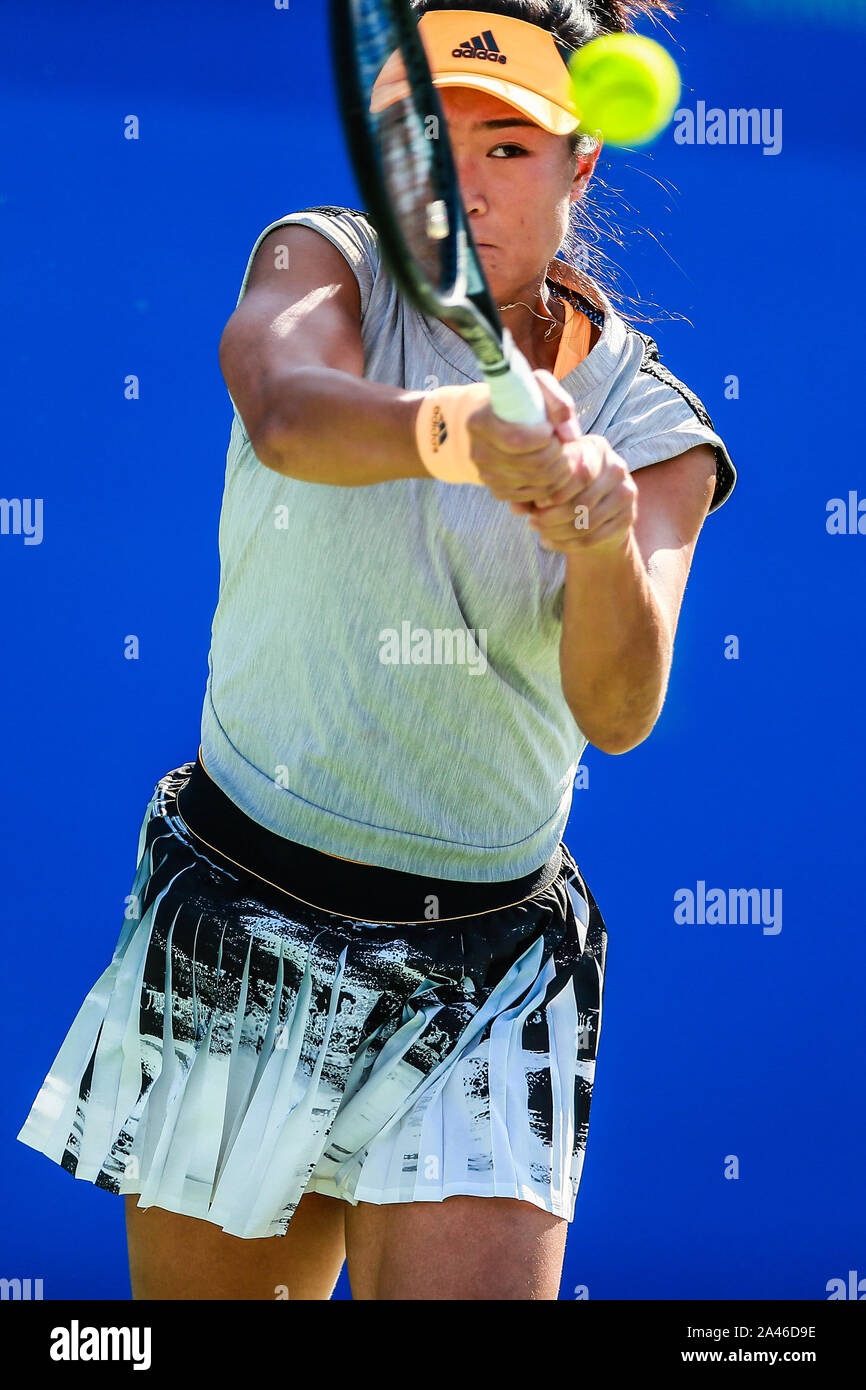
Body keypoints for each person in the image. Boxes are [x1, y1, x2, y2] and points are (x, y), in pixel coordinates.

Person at [16, 0, 736, 1301]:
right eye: (427, 142)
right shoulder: (319, 258)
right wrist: (464, 433)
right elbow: (288, 413)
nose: (460, 192)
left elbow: (616, 708)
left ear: (582, 166)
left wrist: (597, 542)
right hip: (242, 909)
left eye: (508, 149)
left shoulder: (654, 428)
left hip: (498, 961)